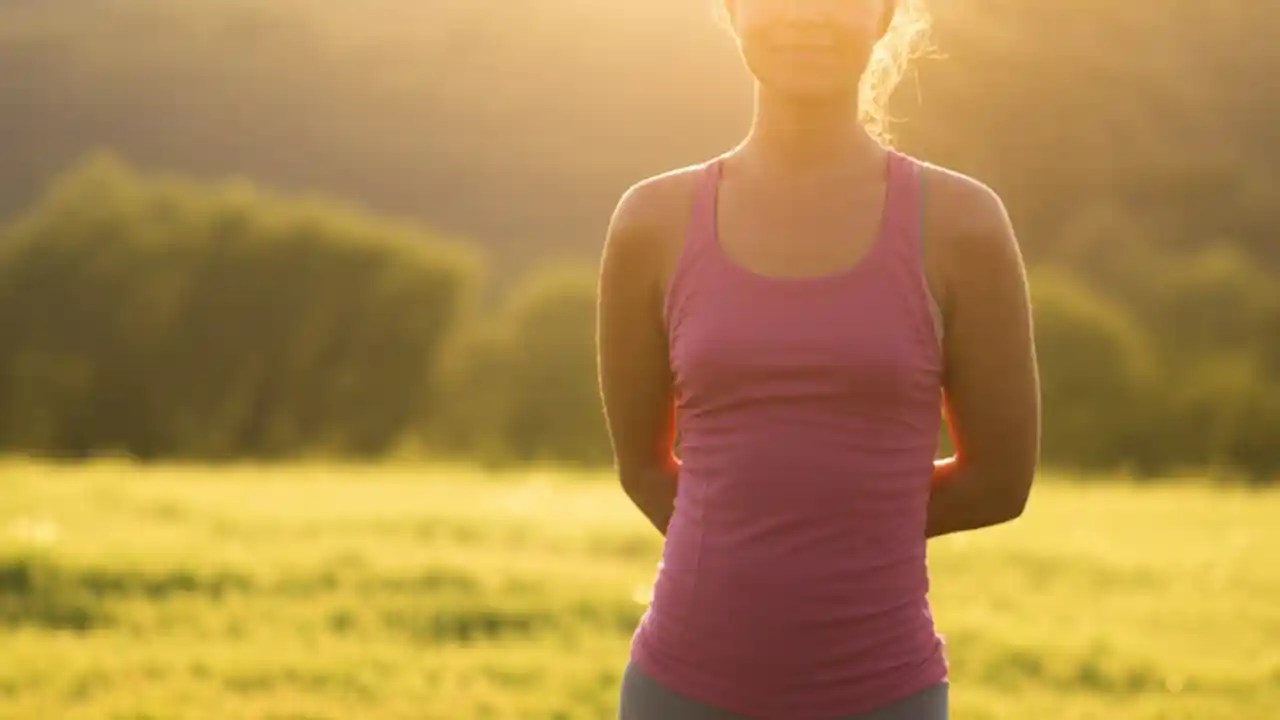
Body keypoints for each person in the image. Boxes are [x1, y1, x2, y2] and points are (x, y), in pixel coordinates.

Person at [596, 0, 1041, 717]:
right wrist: (774, 526)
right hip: (679, 689)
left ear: (885, 14)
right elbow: (642, 466)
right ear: (732, 11)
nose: (806, 14)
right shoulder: (650, 222)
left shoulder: (965, 225)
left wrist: (833, 524)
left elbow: (1000, 482)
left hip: (882, 689)